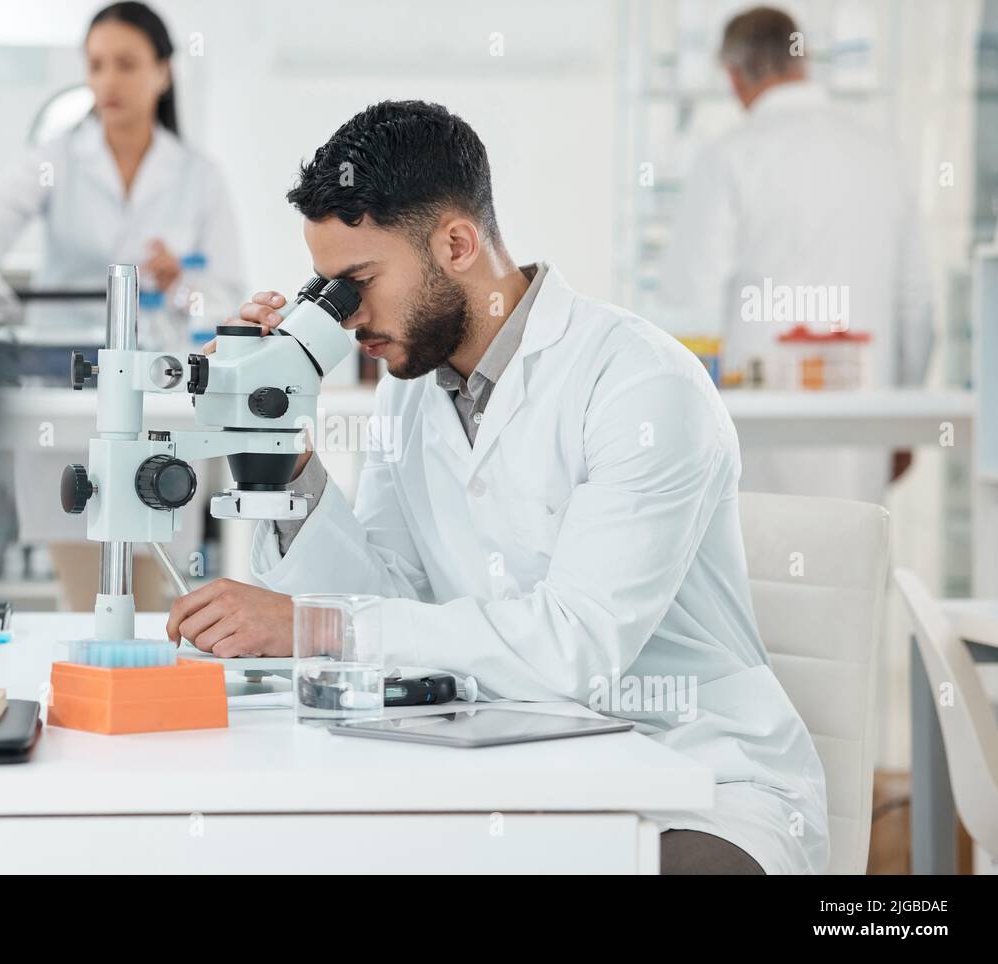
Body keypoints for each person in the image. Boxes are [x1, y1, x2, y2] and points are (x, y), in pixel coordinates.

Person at [166, 100, 828, 875]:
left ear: (456, 243)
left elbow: (575, 649)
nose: (344, 318)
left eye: (358, 283)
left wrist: (311, 626)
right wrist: (286, 455)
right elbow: (388, 596)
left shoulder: (640, 383)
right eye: (326, 291)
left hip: (695, 775)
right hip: (503, 766)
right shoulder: (408, 392)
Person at [0, 1, 244, 610]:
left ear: (163, 72)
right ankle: (88, 694)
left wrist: (180, 278)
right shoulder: (57, 158)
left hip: (157, 391)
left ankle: (153, 696)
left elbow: (228, 302)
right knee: (84, 590)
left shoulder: (198, 177)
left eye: (126, 64)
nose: (108, 81)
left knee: (158, 587)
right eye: (97, 65)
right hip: (65, 386)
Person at [659, 5, 933, 502]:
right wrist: (902, 415)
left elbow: (689, 306)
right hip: (866, 422)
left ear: (734, 74)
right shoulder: (882, 154)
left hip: (759, 427)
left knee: (767, 569)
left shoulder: (728, 157)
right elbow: (915, 302)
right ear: (803, 61)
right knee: (857, 566)